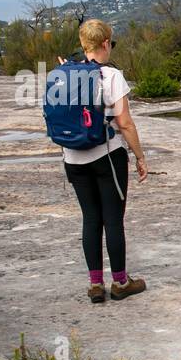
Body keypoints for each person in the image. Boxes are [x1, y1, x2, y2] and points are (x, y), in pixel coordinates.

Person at [63, 19, 148, 303]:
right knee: (112, 220)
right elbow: (124, 123)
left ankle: (96, 285)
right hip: (106, 156)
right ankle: (121, 282)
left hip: (73, 159)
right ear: (104, 44)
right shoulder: (111, 76)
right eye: (111, 43)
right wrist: (140, 156)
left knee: (90, 218)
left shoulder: (64, 74)